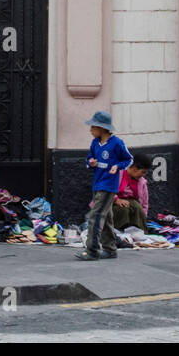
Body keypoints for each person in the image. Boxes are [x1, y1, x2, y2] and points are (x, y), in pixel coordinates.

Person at [77, 111, 132, 261]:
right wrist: (91, 163)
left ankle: (93, 250)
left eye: (93, 127)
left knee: (96, 216)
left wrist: (117, 166)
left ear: (102, 128)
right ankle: (110, 249)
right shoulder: (95, 143)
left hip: (109, 185)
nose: (90, 130)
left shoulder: (117, 143)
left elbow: (128, 159)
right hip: (97, 183)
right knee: (106, 218)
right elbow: (89, 160)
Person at [113, 153, 152, 232]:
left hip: (131, 207)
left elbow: (144, 203)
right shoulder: (116, 173)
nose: (143, 175)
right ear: (134, 168)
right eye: (143, 172)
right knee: (124, 209)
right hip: (110, 205)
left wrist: (142, 217)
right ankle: (117, 235)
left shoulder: (142, 182)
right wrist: (116, 200)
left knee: (136, 206)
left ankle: (140, 234)